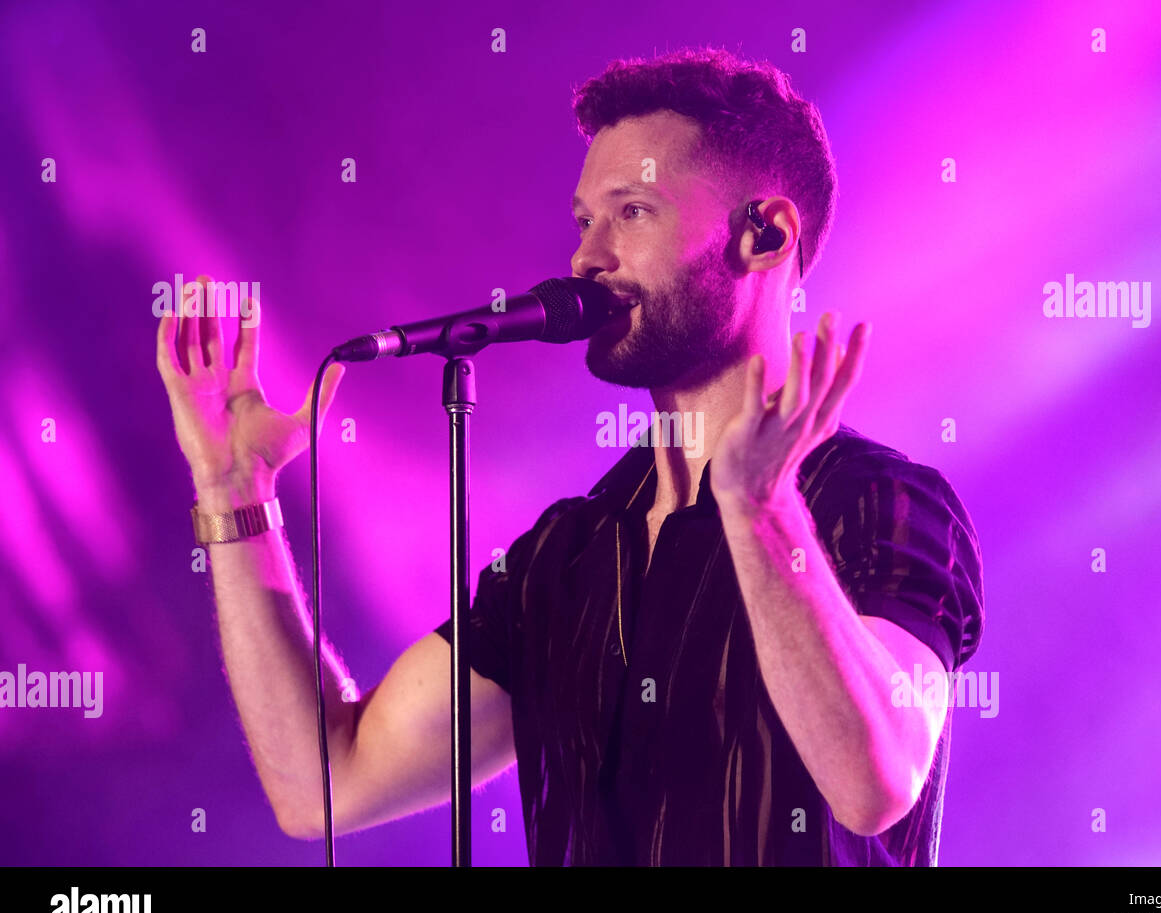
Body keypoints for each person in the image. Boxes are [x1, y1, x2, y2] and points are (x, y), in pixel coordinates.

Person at [156, 46, 985, 866]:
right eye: (586, 220)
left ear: (764, 235)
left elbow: (876, 780)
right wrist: (237, 494)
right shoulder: (564, 558)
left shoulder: (882, 505)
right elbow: (325, 783)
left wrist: (760, 509)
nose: (586, 259)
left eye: (633, 211)